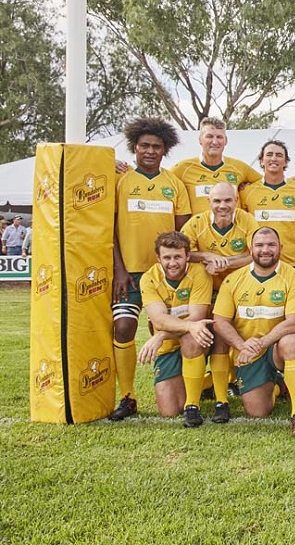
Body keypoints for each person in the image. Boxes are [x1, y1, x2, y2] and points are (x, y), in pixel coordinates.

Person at [110, 118, 192, 421]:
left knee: (163, 329)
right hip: (129, 272)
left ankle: (185, 383)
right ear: (134, 147)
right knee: (123, 327)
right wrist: (119, 269)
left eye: (156, 146)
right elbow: (111, 230)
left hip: (165, 273)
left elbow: (183, 235)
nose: (149, 151)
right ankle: (128, 395)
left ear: (165, 150)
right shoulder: (120, 179)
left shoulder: (174, 184)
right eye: (144, 145)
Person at [211, 227, 295, 435]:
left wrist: (263, 342)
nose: (265, 250)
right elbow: (219, 321)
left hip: (275, 346)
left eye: (271, 245)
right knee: (258, 411)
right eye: (259, 245)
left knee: (293, 341)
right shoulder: (234, 279)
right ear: (250, 249)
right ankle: (277, 384)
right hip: (248, 350)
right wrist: (242, 345)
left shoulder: (292, 277)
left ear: (280, 248)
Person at [180, 182, 258, 421]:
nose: (222, 206)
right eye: (217, 201)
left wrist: (225, 262)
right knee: (194, 338)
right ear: (209, 203)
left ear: (236, 201)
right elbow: (179, 249)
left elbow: (257, 251)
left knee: (223, 341)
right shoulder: (196, 222)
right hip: (203, 291)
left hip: (236, 292)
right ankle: (192, 402)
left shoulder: (247, 220)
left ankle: (222, 399)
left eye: (227, 201)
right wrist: (206, 256)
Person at [136, 232, 214, 426]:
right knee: (169, 411)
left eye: (177, 257)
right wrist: (164, 333)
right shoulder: (149, 279)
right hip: (168, 346)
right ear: (158, 258)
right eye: (167, 258)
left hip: (196, 339)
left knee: (192, 336)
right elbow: (159, 319)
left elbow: (197, 317)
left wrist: (160, 334)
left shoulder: (199, 273)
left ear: (187, 256)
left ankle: (192, 406)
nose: (172, 263)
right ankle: (206, 382)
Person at [240, 140, 295, 269]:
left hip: (292, 263)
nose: (274, 158)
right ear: (262, 161)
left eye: (279, 155)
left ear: (286, 162)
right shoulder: (247, 192)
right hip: (258, 264)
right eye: (269, 154)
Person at [171, 117, 261, 215]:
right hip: (197, 229)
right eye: (209, 136)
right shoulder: (183, 168)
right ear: (200, 140)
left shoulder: (239, 167)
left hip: (233, 229)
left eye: (219, 137)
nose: (214, 142)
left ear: (225, 141)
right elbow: (163, 181)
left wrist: (246, 189)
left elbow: (263, 183)